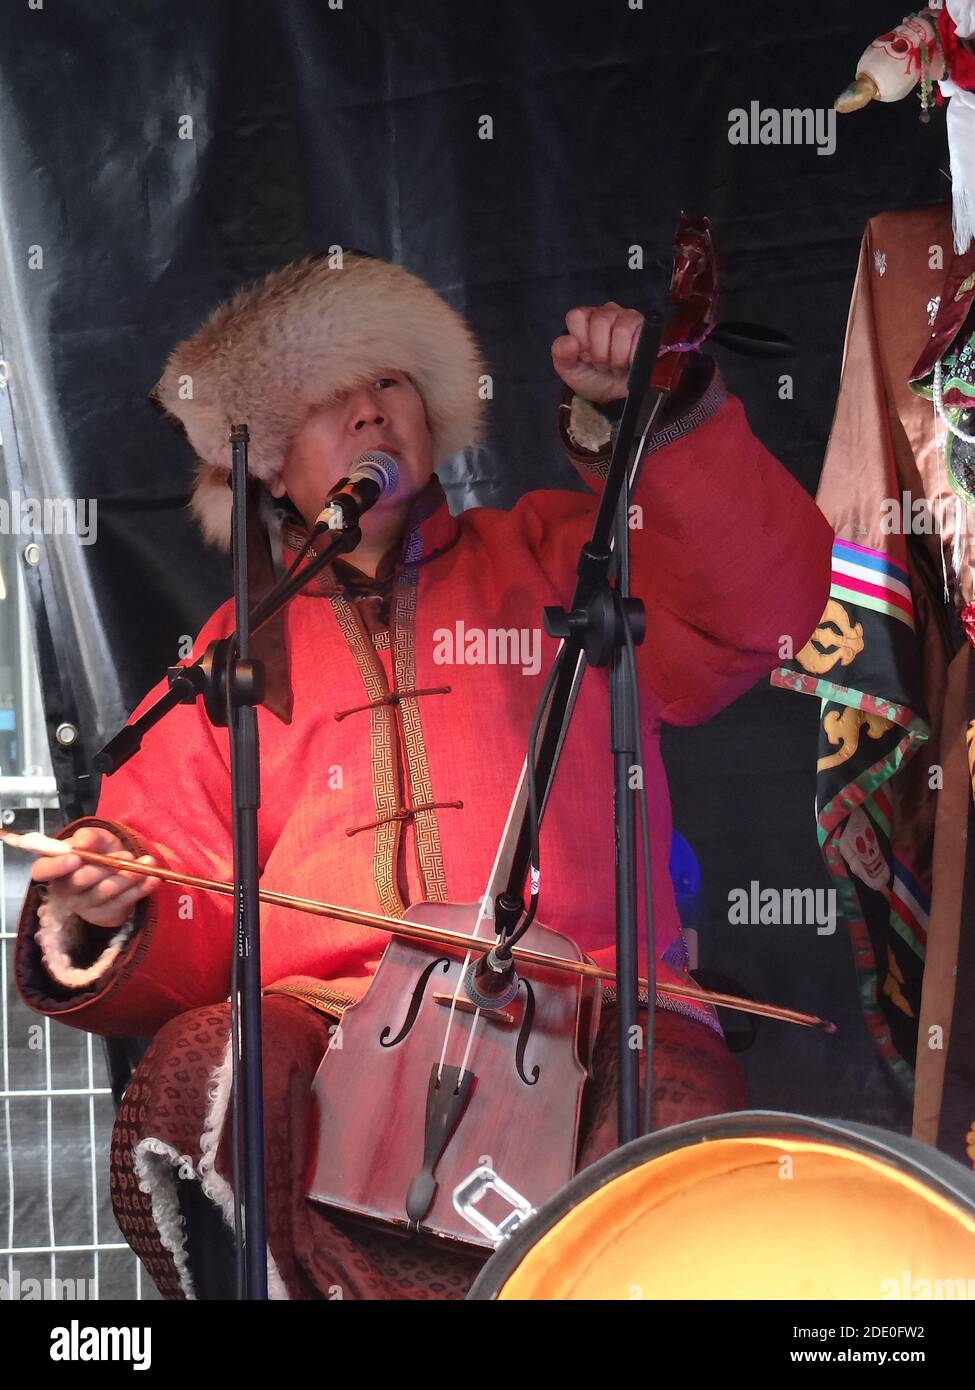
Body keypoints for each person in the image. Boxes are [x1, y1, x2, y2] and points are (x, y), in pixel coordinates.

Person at [14, 251, 832, 1298]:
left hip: (572, 1003)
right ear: (266, 461)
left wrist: (651, 425)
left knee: (671, 1100)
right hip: (336, 1018)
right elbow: (179, 873)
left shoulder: (555, 554)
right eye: (325, 396)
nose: (367, 411)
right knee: (215, 1063)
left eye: (388, 382)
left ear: (431, 410)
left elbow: (761, 605)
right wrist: (107, 900)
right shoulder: (236, 647)